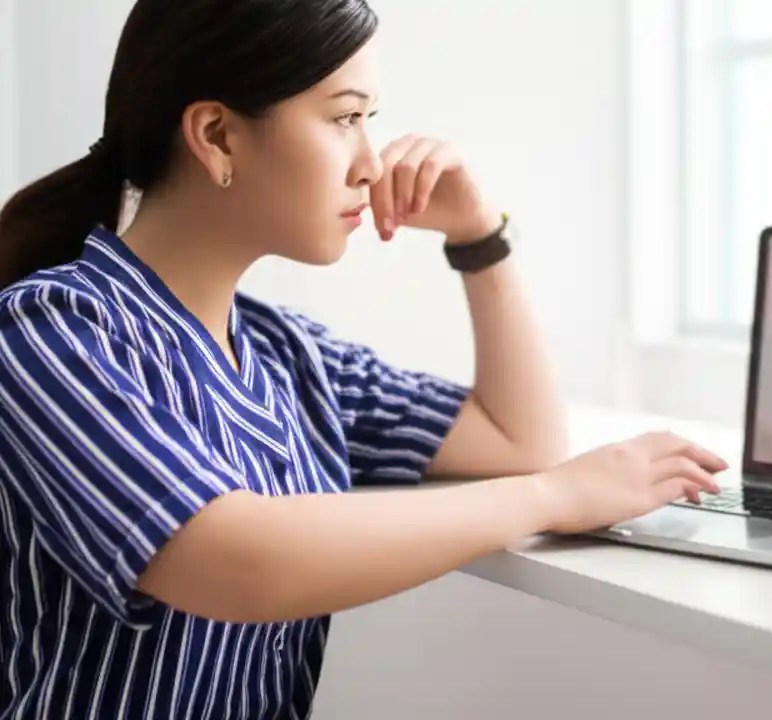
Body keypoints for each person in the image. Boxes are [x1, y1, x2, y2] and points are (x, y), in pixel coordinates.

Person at [0, 1, 726, 717]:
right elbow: (234, 561)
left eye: (369, 121)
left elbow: (519, 439)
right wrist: (556, 498)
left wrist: (478, 236)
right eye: (346, 117)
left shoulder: (287, 352)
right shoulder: (50, 328)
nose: (371, 163)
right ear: (218, 136)